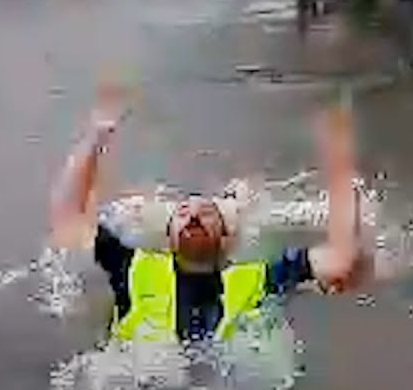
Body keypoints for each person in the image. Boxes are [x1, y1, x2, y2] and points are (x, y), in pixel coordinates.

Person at [48, 82, 364, 346]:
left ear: (227, 238)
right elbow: (67, 217)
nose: (194, 215)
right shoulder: (131, 265)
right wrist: (95, 138)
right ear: (168, 237)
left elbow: (341, 258)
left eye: (208, 213)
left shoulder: (260, 277)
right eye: (184, 211)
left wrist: (337, 163)